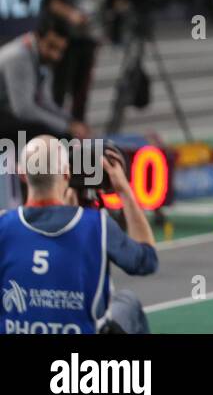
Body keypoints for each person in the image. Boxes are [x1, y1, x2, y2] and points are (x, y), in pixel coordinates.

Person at [0, 135, 157, 333]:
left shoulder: (4, 225)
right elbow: (147, 261)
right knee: (127, 302)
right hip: (77, 364)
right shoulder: (96, 225)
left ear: (22, 174)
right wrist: (124, 190)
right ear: (66, 174)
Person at [0, 17, 92, 210]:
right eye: (51, 47)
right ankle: (44, 192)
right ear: (38, 38)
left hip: (10, 114)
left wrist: (72, 122)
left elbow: (46, 102)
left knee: (66, 133)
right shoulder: (18, 57)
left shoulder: (41, 57)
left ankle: (72, 192)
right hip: (7, 116)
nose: (56, 55)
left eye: (60, 50)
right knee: (45, 133)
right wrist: (66, 127)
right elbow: (24, 109)